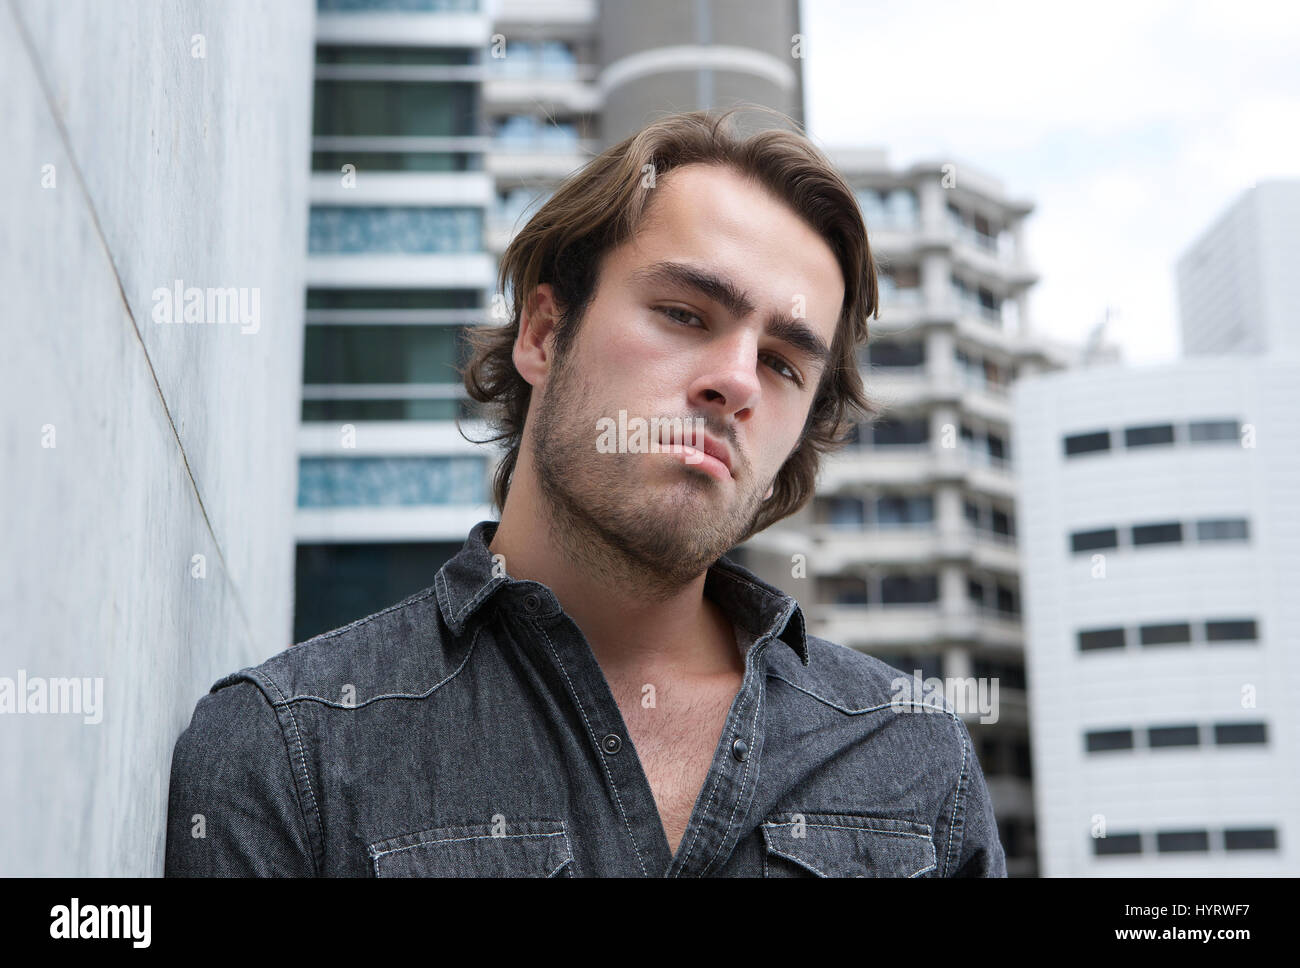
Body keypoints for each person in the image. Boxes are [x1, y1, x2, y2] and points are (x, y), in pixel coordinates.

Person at [164, 107, 1007, 877]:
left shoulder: (915, 761)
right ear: (542, 332)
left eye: (784, 364)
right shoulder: (290, 748)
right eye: (685, 313)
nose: (735, 382)